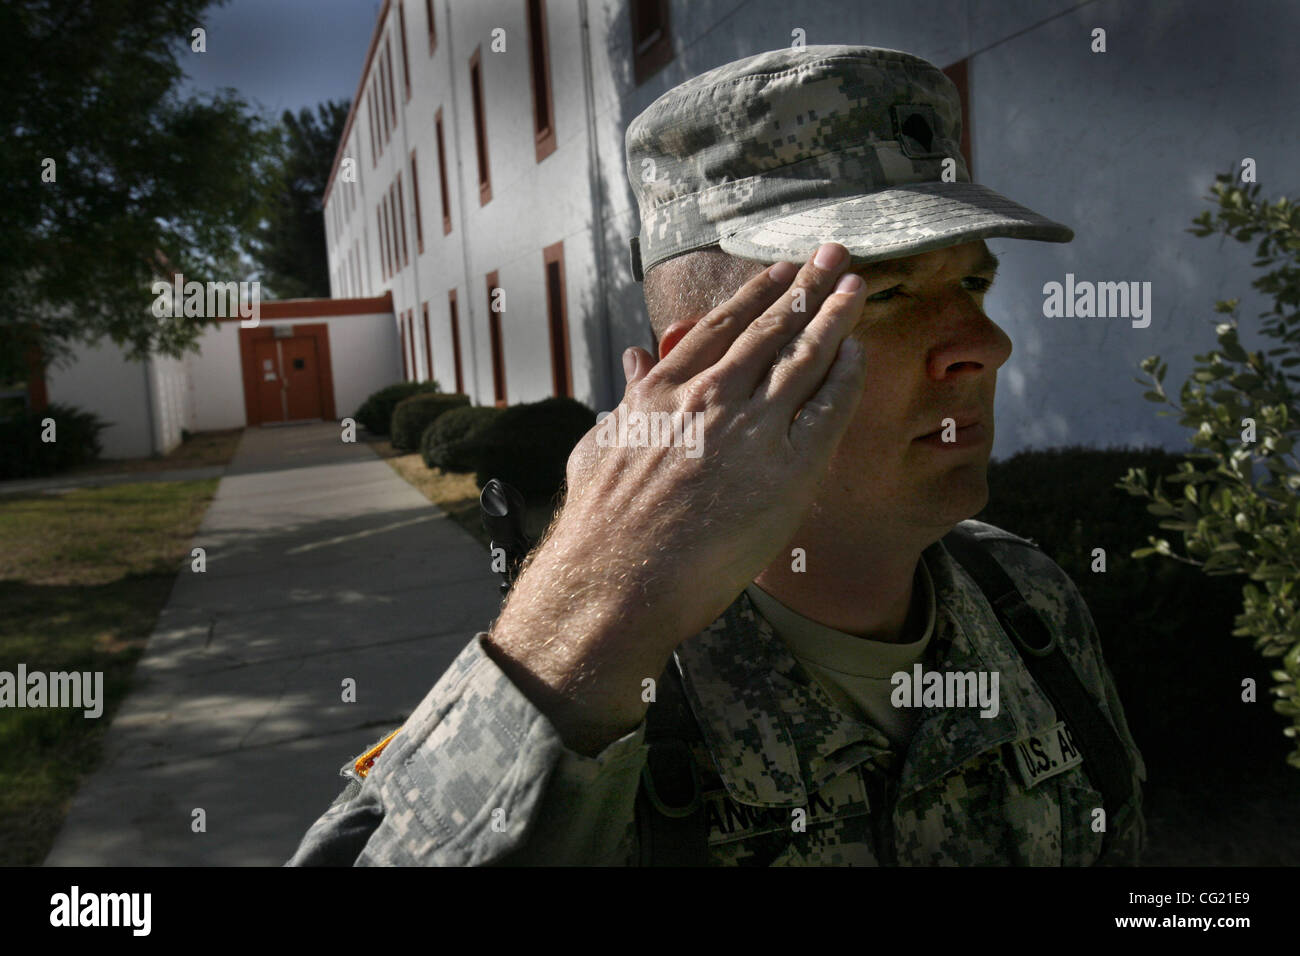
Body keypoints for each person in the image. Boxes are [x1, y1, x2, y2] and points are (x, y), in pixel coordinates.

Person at [286, 44, 1145, 867]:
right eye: (884, 295)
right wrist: (573, 635)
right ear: (704, 367)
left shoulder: (1026, 598)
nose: (983, 345)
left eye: (972, 283)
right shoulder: (602, 700)